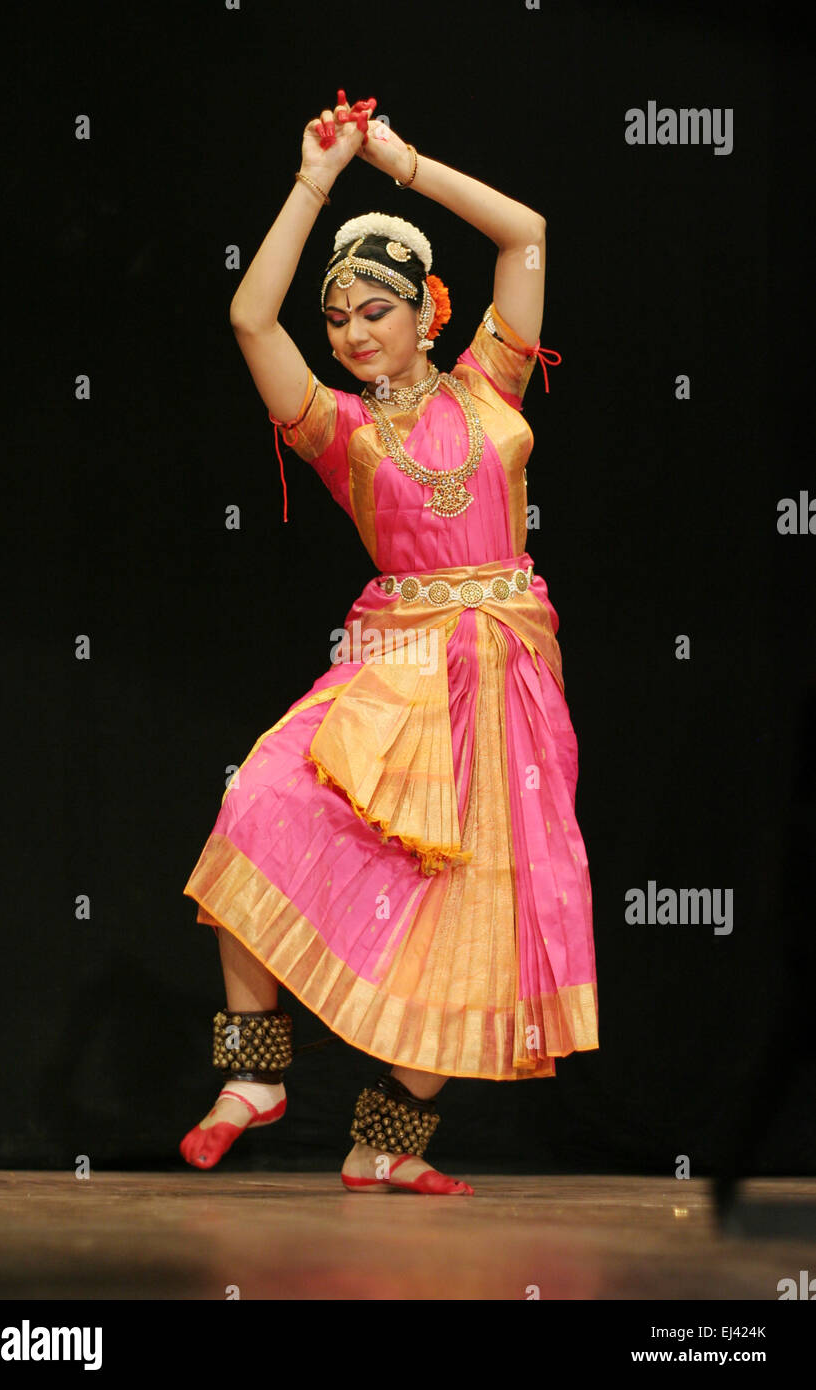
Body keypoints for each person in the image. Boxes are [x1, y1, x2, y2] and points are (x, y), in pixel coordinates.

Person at [180, 91, 598, 1195]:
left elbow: (527, 234)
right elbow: (248, 320)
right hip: (392, 662)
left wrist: (402, 164)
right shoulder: (339, 430)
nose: (354, 333)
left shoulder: (490, 381)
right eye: (341, 319)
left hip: (501, 672)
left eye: (376, 311)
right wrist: (315, 181)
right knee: (259, 800)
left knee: (471, 915)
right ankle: (255, 1072)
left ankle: (385, 1143)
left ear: (426, 313)